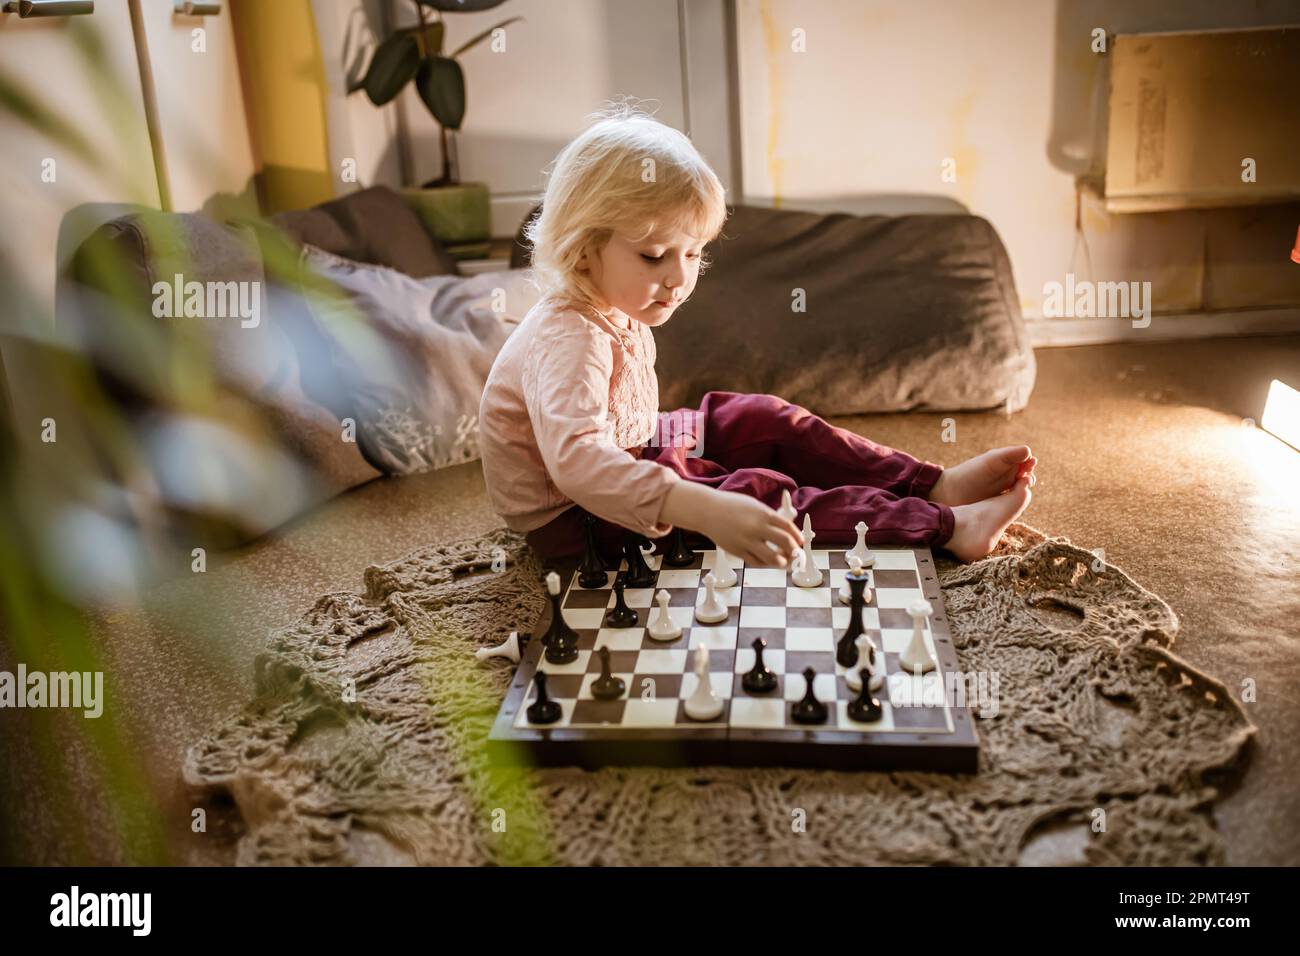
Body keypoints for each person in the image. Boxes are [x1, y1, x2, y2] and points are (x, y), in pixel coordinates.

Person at [478, 102, 1035, 567]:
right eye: (653, 255)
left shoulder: (615, 304)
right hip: (581, 522)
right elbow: (577, 465)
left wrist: (675, 472)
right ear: (582, 247)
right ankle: (943, 525)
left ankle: (929, 485)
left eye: (693, 253)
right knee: (749, 491)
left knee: (759, 417)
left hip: (637, 445)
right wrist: (699, 505)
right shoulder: (568, 338)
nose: (679, 277)